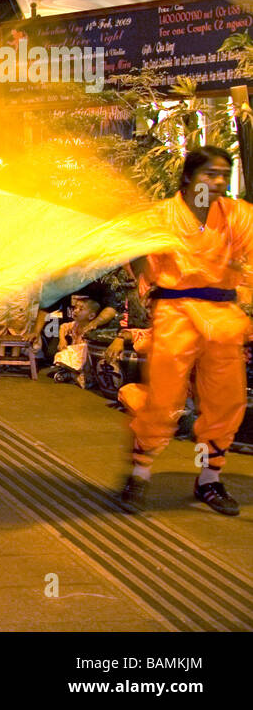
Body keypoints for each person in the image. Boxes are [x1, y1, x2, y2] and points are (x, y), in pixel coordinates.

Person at [119, 146, 253, 516]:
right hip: (175, 312)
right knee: (163, 397)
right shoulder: (162, 215)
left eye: (224, 174)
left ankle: (210, 479)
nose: (219, 181)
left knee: (227, 399)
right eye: (211, 173)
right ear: (189, 177)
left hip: (223, 316)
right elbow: (136, 250)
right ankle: (140, 471)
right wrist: (144, 281)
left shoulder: (238, 215)